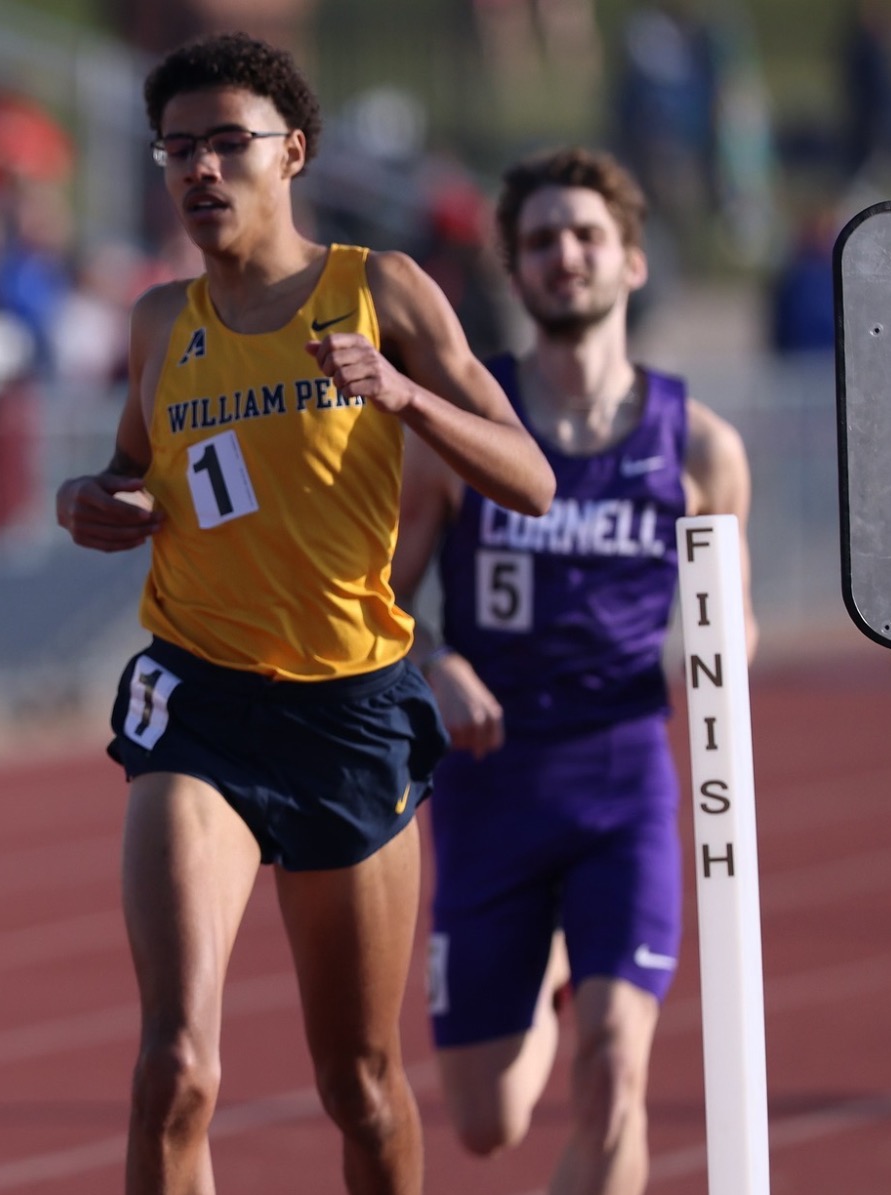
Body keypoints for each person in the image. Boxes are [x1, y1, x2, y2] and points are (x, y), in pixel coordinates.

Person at [55, 33, 554, 1195]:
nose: (200, 168)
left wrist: (405, 392)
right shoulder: (157, 322)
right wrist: (94, 499)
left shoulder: (379, 290)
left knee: (361, 1086)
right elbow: (129, 474)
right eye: (177, 148)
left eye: (228, 142)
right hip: (199, 703)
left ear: (292, 154)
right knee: (175, 1067)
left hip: (349, 712)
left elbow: (530, 479)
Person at [392, 147, 753, 1195]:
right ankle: (551, 957)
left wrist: (714, 659)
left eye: (587, 236)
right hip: (489, 782)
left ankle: (588, 972)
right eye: (542, 240)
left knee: (613, 1067)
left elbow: (730, 627)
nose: (565, 256)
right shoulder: (460, 435)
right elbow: (376, 601)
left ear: (631, 261)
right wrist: (436, 660)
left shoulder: (699, 449)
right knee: (486, 1119)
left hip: (620, 781)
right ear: (514, 270)